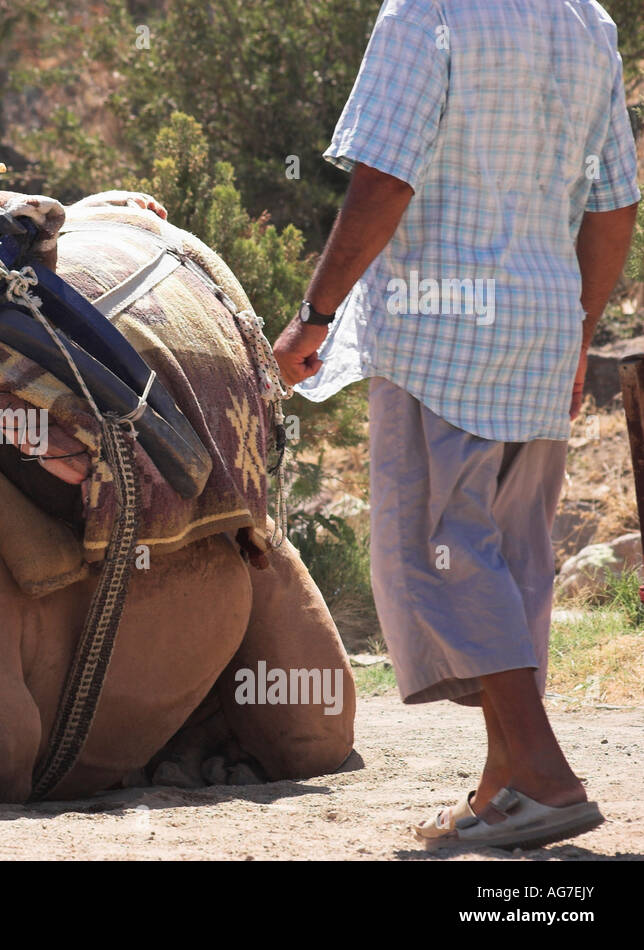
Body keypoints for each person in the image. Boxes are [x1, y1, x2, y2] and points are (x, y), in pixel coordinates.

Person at [272, 0, 639, 850]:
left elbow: (385, 180)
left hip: (441, 334)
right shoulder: (588, 20)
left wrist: (315, 313)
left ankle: (546, 774)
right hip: (544, 324)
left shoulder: (426, 12)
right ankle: (503, 787)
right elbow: (615, 204)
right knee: (511, 559)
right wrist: (580, 333)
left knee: (432, 553)